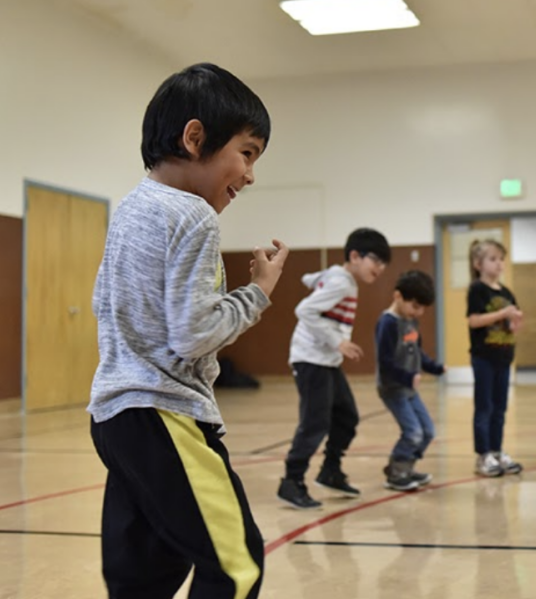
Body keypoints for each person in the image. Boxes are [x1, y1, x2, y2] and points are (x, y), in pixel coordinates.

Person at [89, 63, 285, 599]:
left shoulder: (131, 209)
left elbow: (103, 303)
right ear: (195, 138)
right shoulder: (194, 216)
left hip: (114, 418)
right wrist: (257, 293)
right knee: (237, 565)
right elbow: (194, 334)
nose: (250, 174)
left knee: (145, 577)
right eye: (247, 153)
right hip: (164, 415)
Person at [277, 228, 391, 509]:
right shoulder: (341, 282)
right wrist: (337, 341)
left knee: (346, 417)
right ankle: (292, 481)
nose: (380, 268)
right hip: (310, 359)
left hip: (326, 360)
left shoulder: (339, 278)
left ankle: (330, 471)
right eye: (376, 260)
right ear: (355, 256)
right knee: (315, 422)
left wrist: (314, 279)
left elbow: (312, 279)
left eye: (384, 263)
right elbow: (304, 310)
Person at [375, 270, 445, 490]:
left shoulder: (411, 321)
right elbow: (385, 363)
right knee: (413, 432)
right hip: (393, 388)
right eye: (415, 306)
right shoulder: (388, 324)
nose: (419, 312)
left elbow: (417, 352)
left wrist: (434, 368)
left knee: (428, 432)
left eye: (423, 308)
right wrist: (407, 377)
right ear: (398, 296)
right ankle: (396, 471)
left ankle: (406, 468)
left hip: (409, 389)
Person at [467, 239, 524, 476]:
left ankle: (496, 450)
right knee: (485, 407)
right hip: (484, 357)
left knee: (500, 408)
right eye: (493, 259)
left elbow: (514, 324)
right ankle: (483, 455)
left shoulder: (507, 292)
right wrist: (502, 313)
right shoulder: (477, 290)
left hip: (504, 356)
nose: (499, 263)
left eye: (501, 259)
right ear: (478, 264)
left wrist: (515, 321)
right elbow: (474, 320)